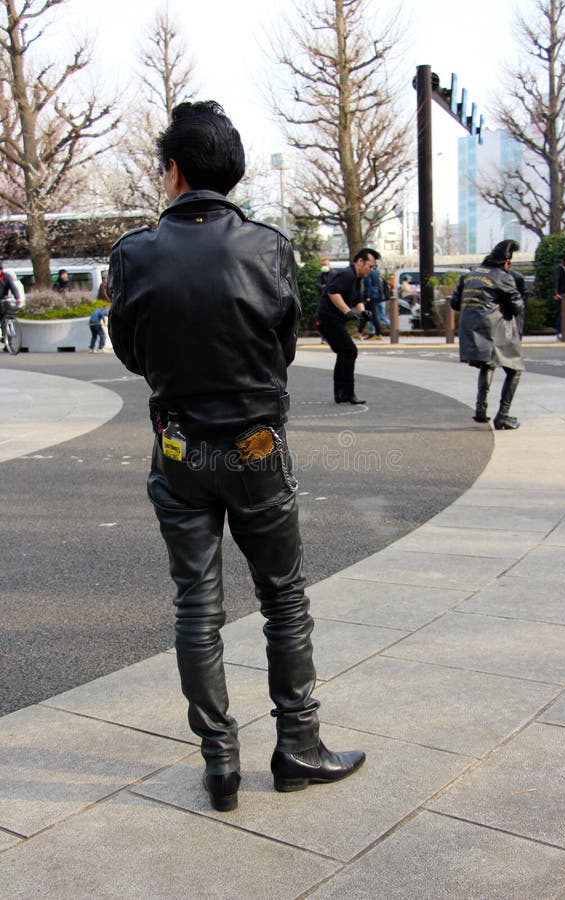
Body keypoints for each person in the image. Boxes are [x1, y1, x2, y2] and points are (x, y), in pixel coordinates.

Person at [108, 100, 364, 814]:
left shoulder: (133, 252)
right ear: (234, 170)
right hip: (255, 446)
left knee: (198, 605)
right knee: (283, 595)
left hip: (179, 445)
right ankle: (298, 746)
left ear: (175, 170)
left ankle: (220, 763)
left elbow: (132, 353)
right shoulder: (269, 246)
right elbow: (281, 347)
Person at [450, 239, 524, 430]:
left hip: (471, 328)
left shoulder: (468, 276)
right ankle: (503, 416)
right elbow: (517, 306)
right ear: (506, 262)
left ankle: (480, 409)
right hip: (496, 329)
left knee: (488, 364)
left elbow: (454, 304)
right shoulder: (502, 276)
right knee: (514, 368)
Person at [317, 248, 380, 403]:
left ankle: (341, 393)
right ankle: (347, 393)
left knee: (345, 353)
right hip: (328, 318)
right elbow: (333, 292)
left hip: (333, 319)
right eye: (370, 266)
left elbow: (357, 299)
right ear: (360, 262)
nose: (371, 270)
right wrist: (347, 311)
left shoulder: (357, 278)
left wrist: (363, 312)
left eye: (373, 267)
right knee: (350, 351)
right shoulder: (348, 274)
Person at [357, 261, 384, 340]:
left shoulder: (369, 273)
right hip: (375, 295)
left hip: (370, 296)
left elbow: (368, 285)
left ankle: (378, 333)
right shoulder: (376, 272)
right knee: (367, 314)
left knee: (372, 315)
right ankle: (359, 332)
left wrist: (367, 296)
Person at [0, 260, 20, 349]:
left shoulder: (6, 277)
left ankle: (8, 341)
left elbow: (13, 287)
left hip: (4, 300)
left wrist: (17, 297)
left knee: (6, 318)